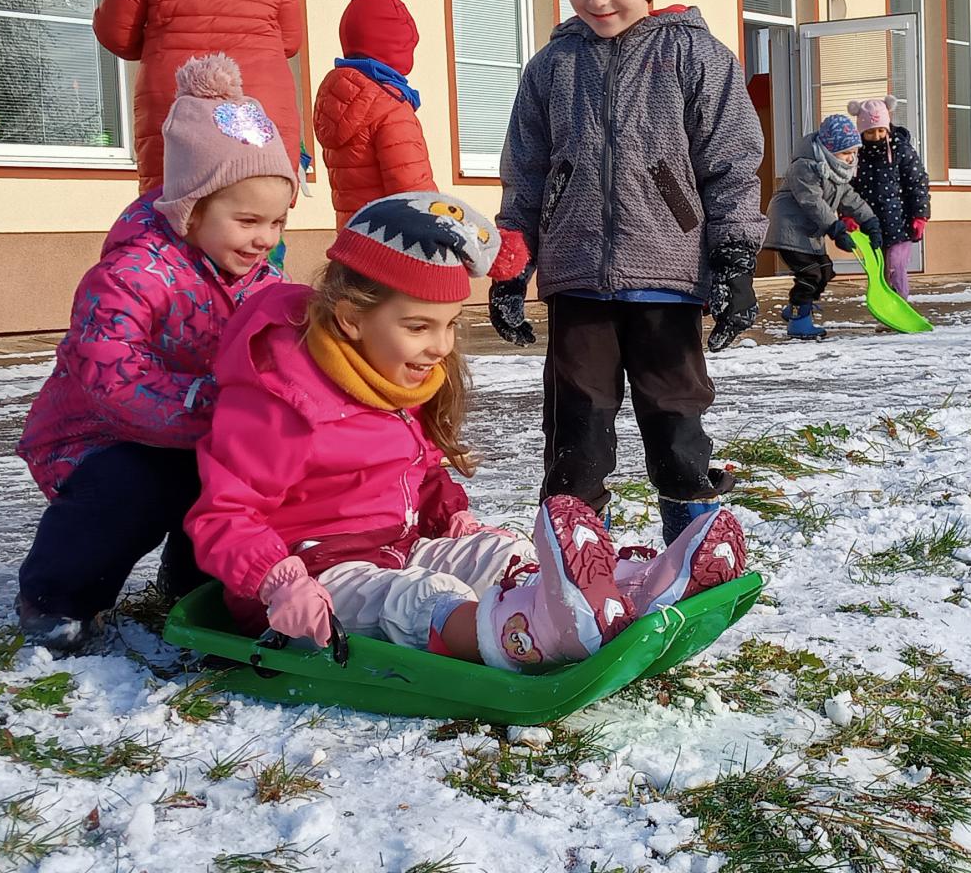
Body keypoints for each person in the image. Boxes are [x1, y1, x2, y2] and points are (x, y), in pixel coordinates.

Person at [185, 192, 747, 671]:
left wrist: (448, 513)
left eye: (450, 324)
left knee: (497, 551)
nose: (440, 345)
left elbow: (417, 468)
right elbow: (224, 515)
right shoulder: (281, 399)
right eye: (418, 327)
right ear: (351, 318)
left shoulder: (391, 376)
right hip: (310, 577)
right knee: (425, 597)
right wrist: (276, 582)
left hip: (398, 546)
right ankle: (532, 633)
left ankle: (632, 588)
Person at [488, 0, 767, 544]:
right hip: (576, 275)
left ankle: (695, 543)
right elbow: (526, 173)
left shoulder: (695, 55)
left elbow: (731, 160)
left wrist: (734, 260)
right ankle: (577, 552)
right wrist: (512, 267)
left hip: (667, 274)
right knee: (575, 422)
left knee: (675, 417)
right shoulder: (552, 66)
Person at [15, 55, 297, 650]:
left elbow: (289, 346)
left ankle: (195, 583)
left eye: (277, 222)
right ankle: (58, 598)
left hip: (194, 430)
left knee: (238, 476)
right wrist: (214, 403)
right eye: (247, 220)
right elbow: (110, 374)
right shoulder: (131, 275)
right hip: (97, 437)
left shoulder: (260, 283)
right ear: (190, 209)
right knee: (132, 491)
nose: (265, 239)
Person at [93, 0, 303, 193]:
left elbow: (116, 34)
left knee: (181, 215)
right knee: (258, 219)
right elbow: (290, 40)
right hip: (260, 109)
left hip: (182, 105)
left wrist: (163, 38)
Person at [314, 0, 437, 230]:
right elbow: (414, 192)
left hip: (352, 242)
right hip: (393, 248)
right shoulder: (390, 107)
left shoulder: (338, 98)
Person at [765, 114, 882, 339]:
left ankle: (797, 307)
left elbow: (850, 198)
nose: (851, 158)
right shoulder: (806, 167)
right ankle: (799, 322)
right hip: (789, 228)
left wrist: (870, 221)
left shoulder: (836, 170)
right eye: (846, 153)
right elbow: (812, 201)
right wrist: (835, 228)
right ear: (830, 149)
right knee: (811, 274)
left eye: (854, 153)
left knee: (825, 271)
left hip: (808, 231)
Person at [848, 95, 931, 299]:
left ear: (887, 127)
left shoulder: (901, 150)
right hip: (870, 224)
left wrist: (920, 216)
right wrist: (847, 214)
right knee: (879, 270)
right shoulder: (857, 156)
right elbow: (849, 190)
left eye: (880, 130)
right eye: (869, 132)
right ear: (861, 132)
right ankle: (886, 309)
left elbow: (917, 183)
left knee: (895, 265)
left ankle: (901, 304)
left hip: (900, 222)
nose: (876, 136)